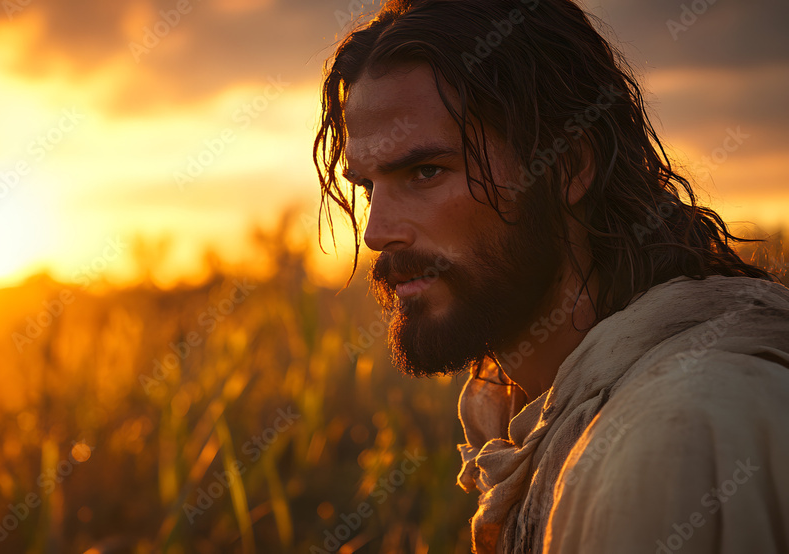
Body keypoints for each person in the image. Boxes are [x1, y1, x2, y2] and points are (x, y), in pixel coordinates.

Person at [312, 0, 789, 552]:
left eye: (425, 172)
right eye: (369, 188)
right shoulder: (540, 420)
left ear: (567, 166)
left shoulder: (672, 437)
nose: (377, 232)